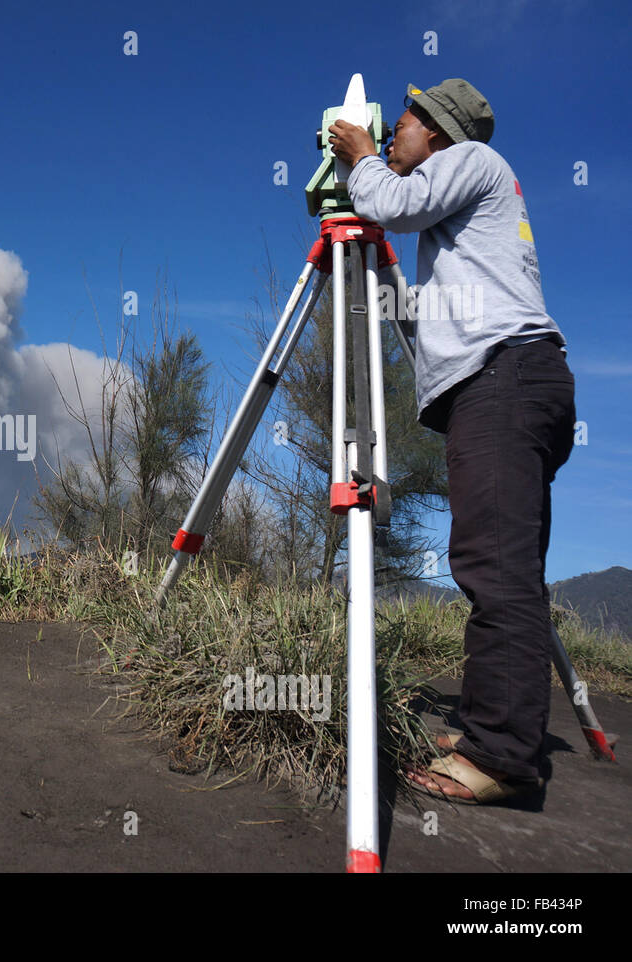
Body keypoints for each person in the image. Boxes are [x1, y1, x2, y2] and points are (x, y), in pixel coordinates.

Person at [327, 79, 576, 803]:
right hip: (510, 380)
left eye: (398, 125)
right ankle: (496, 726)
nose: (390, 133)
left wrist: (360, 157)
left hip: (504, 378)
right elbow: (424, 315)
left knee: (492, 566)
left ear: (435, 132)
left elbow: (392, 205)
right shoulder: (461, 212)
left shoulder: (472, 161)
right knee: (508, 564)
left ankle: (500, 758)